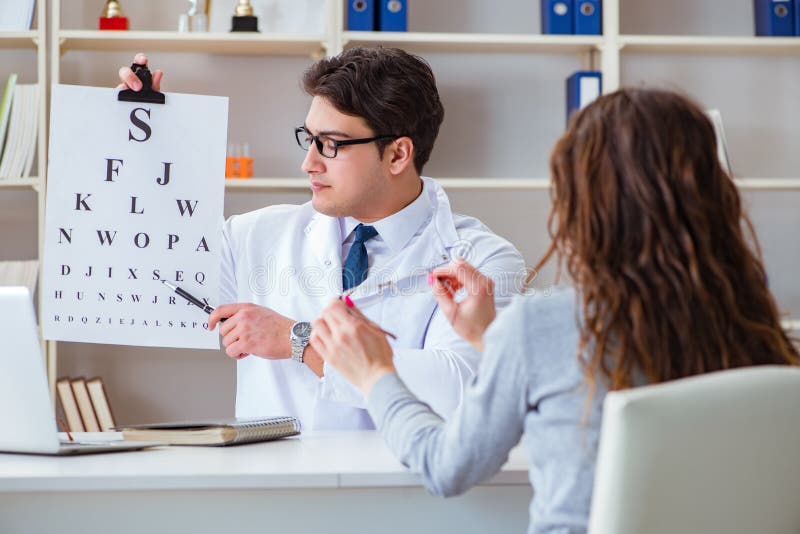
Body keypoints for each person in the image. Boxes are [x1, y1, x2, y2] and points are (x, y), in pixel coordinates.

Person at [310, 88, 800, 533]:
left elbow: (445, 468)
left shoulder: (543, 326)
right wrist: (490, 339)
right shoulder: (757, 333)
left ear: (586, 203)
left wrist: (375, 373)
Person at [118, 49, 526, 430]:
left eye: (331, 145)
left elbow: (463, 388)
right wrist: (143, 139)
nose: (308, 163)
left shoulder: (483, 260)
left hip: (405, 498)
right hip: (273, 496)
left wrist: (299, 341)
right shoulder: (253, 236)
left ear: (398, 155)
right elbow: (146, 262)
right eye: (309, 138)